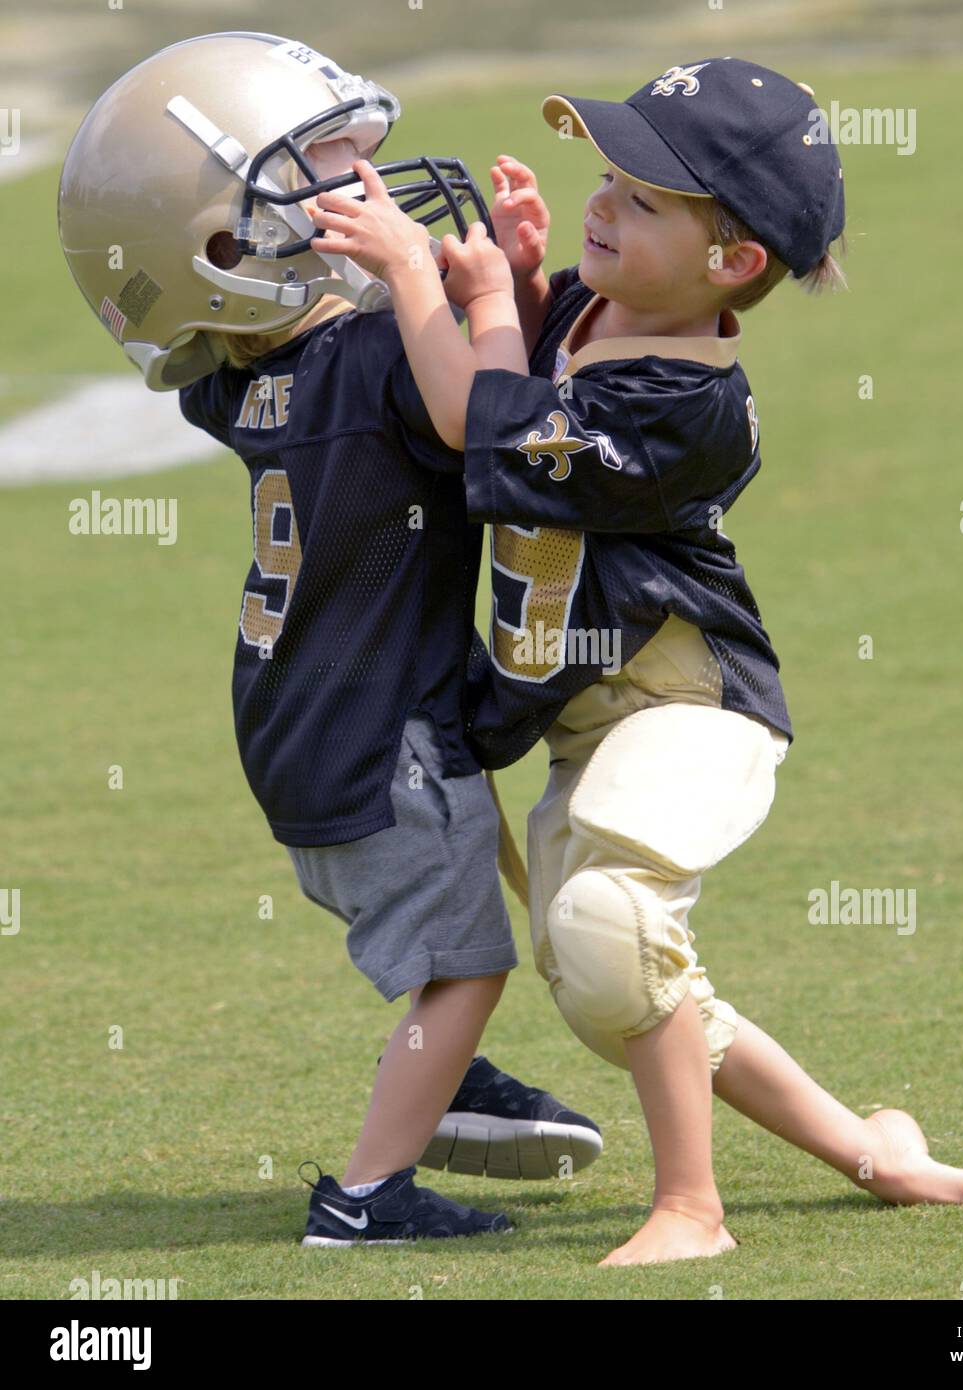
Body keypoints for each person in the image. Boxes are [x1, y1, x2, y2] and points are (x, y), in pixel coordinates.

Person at [309, 55, 963, 1267]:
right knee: (620, 975)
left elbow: (472, 414)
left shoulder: (681, 406)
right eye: (608, 175)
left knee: (605, 928)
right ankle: (868, 1147)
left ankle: (693, 1208)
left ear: (731, 262)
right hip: (589, 712)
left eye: (641, 200)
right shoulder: (612, 309)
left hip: (687, 704)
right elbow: (518, 384)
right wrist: (524, 280)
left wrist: (431, 280)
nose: (601, 204)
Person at [57, 31, 601, 1250]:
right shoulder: (369, 365)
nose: (372, 198)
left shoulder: (242, 381)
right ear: (219, 250)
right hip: (382, 738)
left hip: (299, 720)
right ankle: (364, 1196)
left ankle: (441, 1081)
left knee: (439, 943)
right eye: (327, 180)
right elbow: (488, 427)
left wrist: (490, 289)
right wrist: (464, 291)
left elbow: (404, 382)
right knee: (468, 964)